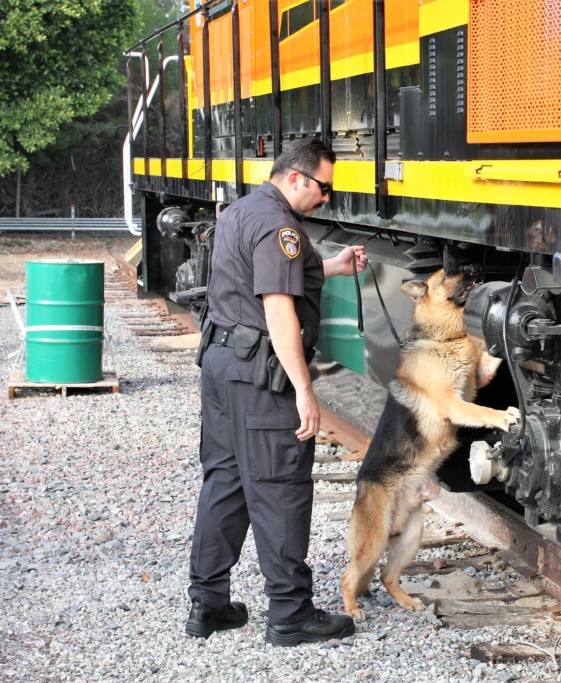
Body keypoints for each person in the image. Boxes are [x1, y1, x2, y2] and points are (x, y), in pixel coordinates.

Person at [185, 138, 368, 646]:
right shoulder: (281, 225)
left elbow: (254, 276)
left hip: (221, 364)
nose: (326, 198)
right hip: (259, 375)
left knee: (224, 479)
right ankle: (289, 613)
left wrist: (330, 266)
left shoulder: (242, 210)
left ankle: (208, 603)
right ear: (295, 179)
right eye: (324, 188)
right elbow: (277, 308)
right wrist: (305, 391)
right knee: (280, 484)